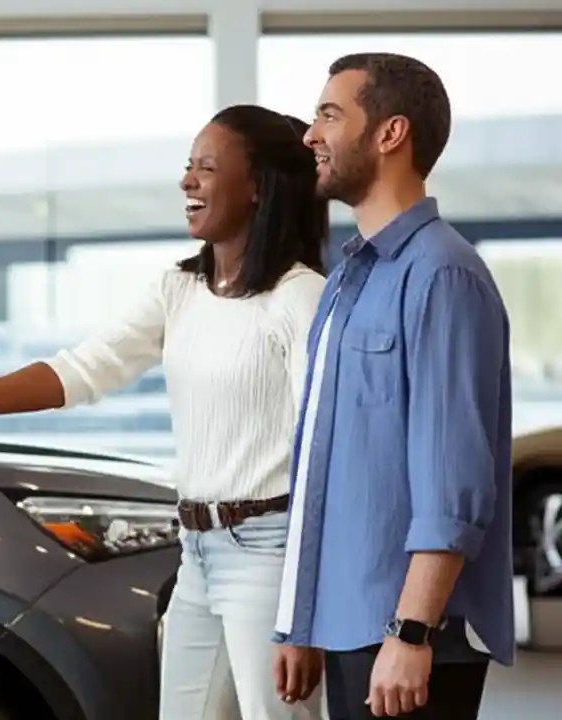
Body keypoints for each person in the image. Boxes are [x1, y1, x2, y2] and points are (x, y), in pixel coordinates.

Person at [0, 105, 330, 719]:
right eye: (189, 167)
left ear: (258, 186)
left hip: (270, 552)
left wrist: (304, 613)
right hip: (199, 552)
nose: (187, 182)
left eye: (206, 167)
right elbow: (82, 370)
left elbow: (325, 459)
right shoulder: (179, 290)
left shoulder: (298, 299)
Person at [273, 52, 515, 719]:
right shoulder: (350, 279)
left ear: (390, 134)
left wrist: (411, 632)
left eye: (329, 115)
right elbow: (328, 465)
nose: (310, 136)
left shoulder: (443, 275)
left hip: (408, 634)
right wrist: (303, 621)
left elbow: (454, 479)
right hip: (349, 626)